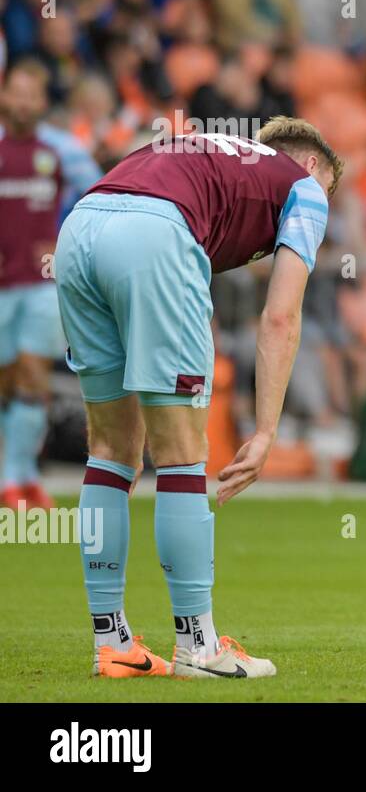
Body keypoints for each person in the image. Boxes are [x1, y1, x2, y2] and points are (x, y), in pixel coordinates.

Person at [54, 117, 340, 679]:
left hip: (81, 229)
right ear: (311, 165)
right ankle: (200, 648)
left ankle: (113, 644)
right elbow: (281, 316)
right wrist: (264, 431)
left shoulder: (213, 152)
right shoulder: (306, 187)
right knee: (182, 452)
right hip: (154, 234)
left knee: (111, 448)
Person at [0, 60, 99, 511]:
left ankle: (21, 479)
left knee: (34, 376)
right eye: (15, 92)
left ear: (42, 102)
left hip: (41, 283)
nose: (22, 102)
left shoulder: (63, 150)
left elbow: (100, 197)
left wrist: (70, 246)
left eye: (31, 94)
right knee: (6, 379)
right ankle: (12, 473)